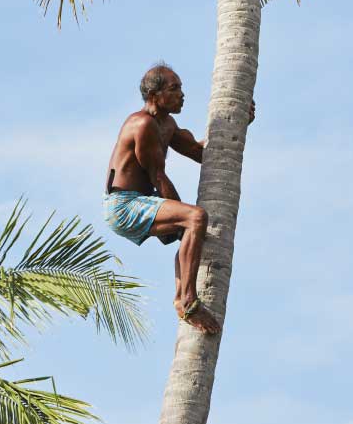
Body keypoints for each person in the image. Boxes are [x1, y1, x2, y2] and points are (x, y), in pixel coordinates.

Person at [103, 62, 254, 334]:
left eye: (181, 88)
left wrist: (239, 121)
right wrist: (185, 221)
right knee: (195, 219)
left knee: (191, 229)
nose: (181, 94)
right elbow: (157, 178)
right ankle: (188, 300)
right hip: (123, 205)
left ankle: (180, 298)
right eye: (174, 88)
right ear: (154, 95)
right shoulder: (143, 124)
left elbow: (201, 153)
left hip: (140, 201)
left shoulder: (167, 124)